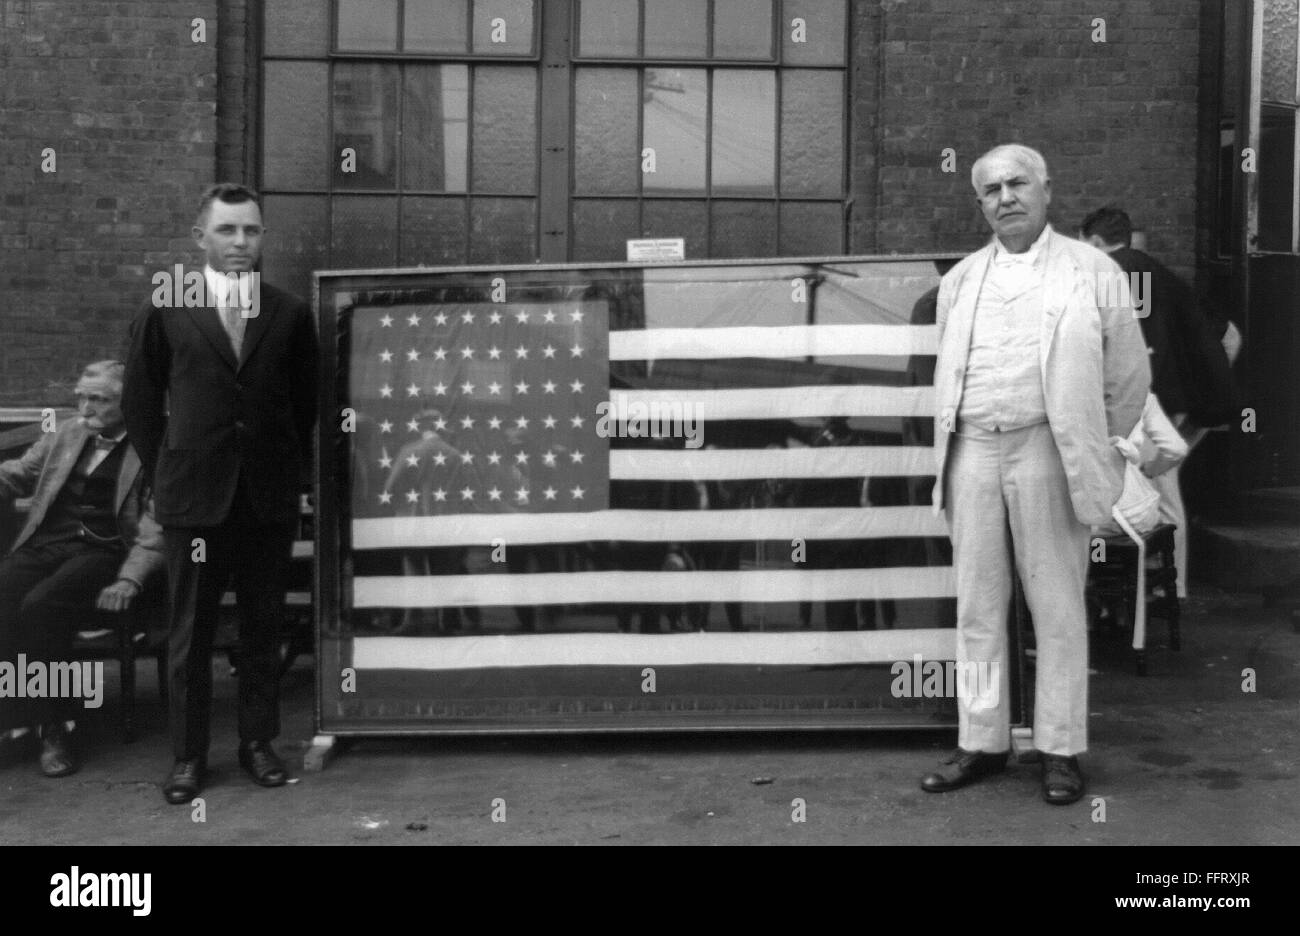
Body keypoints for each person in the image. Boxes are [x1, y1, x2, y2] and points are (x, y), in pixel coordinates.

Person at [924, 145, 1150, 804]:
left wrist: (1094, 445)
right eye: (990, 190)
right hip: (971, 448)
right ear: (980, 204)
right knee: (978, 607)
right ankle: (982, 741)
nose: (1005, 198)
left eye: (1018, 183)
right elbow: (949, 369)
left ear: (1047, 190)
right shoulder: (961, 279)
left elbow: (1128, 376)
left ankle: (1059, 748)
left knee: (1055, 605)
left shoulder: (1093, 270)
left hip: (1047, 449)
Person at [123, 183, 318, 804]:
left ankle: (259, 745)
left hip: (263, 502)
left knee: (263, 628)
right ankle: (188, 757)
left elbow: (305, 405)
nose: (240, 243)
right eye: (228, 230)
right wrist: (167, 472)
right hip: (192, 502)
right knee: (192, 634)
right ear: (199, 236)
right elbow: (140, 402)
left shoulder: (287, 311)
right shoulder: (167, 305)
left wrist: (281, 473)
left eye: (251, 231)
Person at [0, 360, 163, 776]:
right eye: (81, 398)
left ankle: (54, 725)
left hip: (105, 552)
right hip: (49, 544)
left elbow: (158, 524)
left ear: (127, 403)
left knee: (41, 605)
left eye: (98, 399)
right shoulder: (68, 432)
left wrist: (131, 577)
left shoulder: (152, 445)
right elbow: (18, 474)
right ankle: (14, 721)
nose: (85, 408)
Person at [1080, 205, 1238, 598]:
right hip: (1173, 401)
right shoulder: (1162, 275)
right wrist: (1204, 387)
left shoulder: (1112, 274)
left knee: (1155, 494)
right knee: (1162, 489)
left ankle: (1166, 588)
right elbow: (1230, 335)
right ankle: (1164, 583)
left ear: (1096, 242)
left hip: (1143, 402)